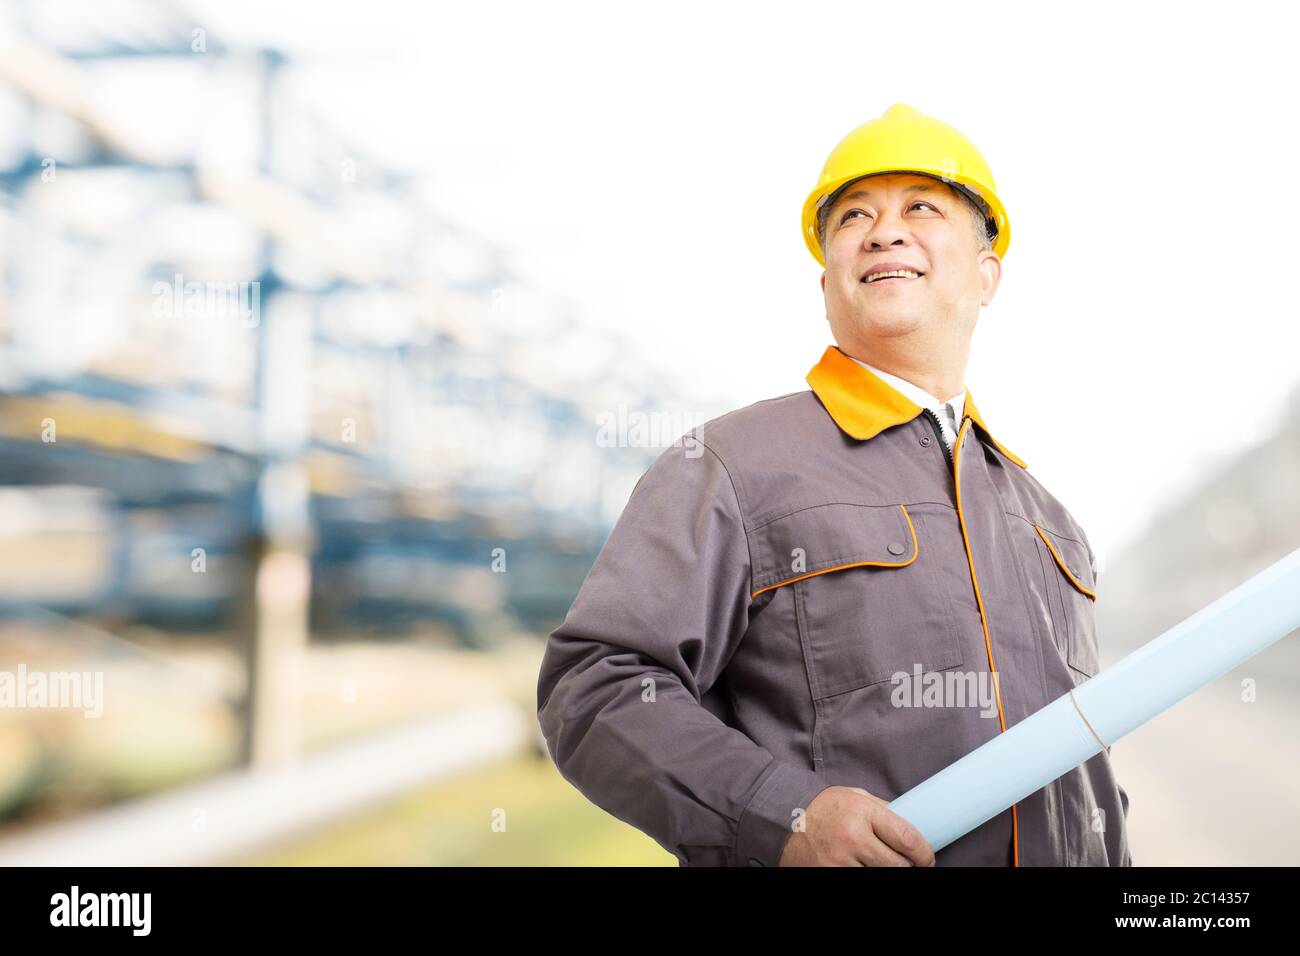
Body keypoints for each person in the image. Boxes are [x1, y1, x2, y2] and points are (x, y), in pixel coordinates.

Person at [536, 103, 1132, 867]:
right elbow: (594, 687)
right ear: (828, 281)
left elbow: (1087, 782)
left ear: (988, 276)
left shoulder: (1048, 521)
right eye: (855, 216)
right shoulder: (731, 464)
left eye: (921, 206)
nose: (885, 230)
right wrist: (780, 815)